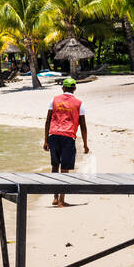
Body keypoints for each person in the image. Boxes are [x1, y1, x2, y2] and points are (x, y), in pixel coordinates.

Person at [43, 77, 90, 207]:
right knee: (64, 169)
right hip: (68, 137)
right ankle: (61, 201)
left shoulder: (54, 100)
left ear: (63, 88)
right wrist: (85, 144)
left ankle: (55, 197)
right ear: (74, 89)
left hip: (53, 135)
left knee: (54, 166)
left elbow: (47, 120)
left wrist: (46, 140)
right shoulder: (79, 103)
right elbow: (83, 125)